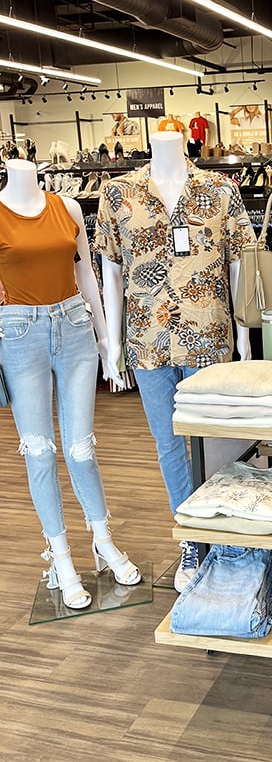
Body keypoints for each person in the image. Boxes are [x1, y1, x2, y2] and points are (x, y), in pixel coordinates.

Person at [95, 131, 255, 592]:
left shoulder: (220, 189)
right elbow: (111, 269)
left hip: (208, 334)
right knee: (168, 444)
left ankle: (221, 532)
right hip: (148, 341)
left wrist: (244, 334)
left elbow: (239, 261)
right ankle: (190, 537)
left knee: (215, 442)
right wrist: (112, 345)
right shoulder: (117, 193)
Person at [0, 158, 140, 610]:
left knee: (82, 448)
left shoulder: (69, 208)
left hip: (75, 324)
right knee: (39, 451)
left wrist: (106, 340)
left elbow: (87, 276)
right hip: (19, 332)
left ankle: (102, 539)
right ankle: (60, 557)